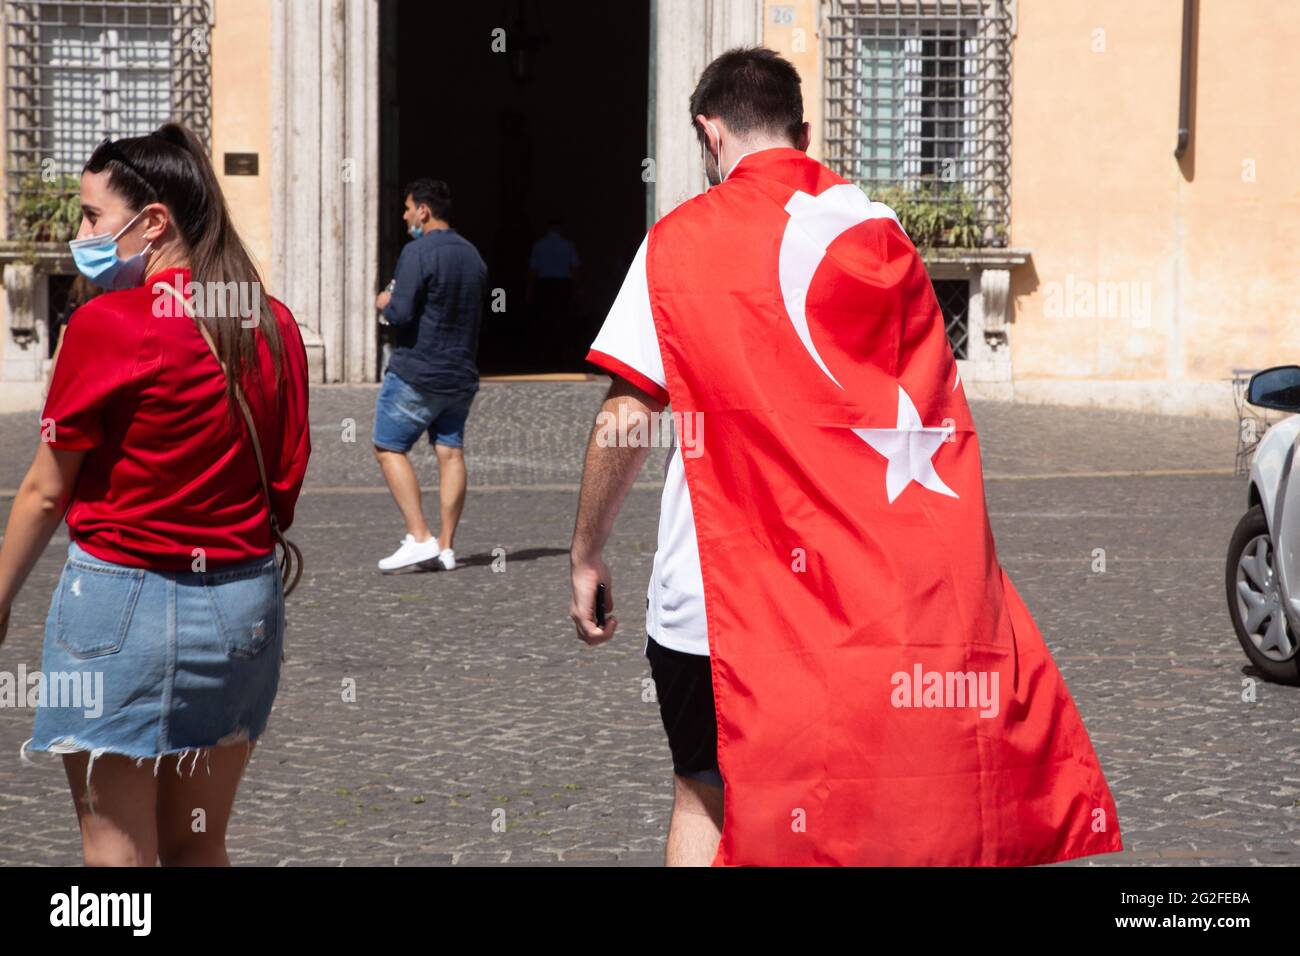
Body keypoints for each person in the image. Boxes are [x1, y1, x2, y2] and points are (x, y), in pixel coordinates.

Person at [569, 48, 1123, 867]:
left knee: (705, 794)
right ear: (804, 128)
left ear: (707, 130)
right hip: (859, 604)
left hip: (712, 606)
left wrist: (587, 550)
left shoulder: (675, 244)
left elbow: (627, 416)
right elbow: (918, 414)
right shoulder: (880, 233)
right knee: (856, 816)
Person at [0, 123, 311, 866]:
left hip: (118, 606)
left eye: (92, 217)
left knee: (117, 853)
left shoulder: (107, 324)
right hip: (243, 608)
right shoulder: (272, 324)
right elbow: (286, 481)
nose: (81, 233)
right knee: (197, 845)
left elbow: (47, 491)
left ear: (154, 222)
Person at [372, 178, 487, 573]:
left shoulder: (418, 252)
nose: (404, 216)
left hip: (417, 372)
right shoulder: (473, 255)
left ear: (423, 209)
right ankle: (447, 547)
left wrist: (384, 301)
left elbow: (400, 312)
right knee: (450, 452)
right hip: (461, 374)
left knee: (387, 446)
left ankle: (419, 536)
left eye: (407, 208)